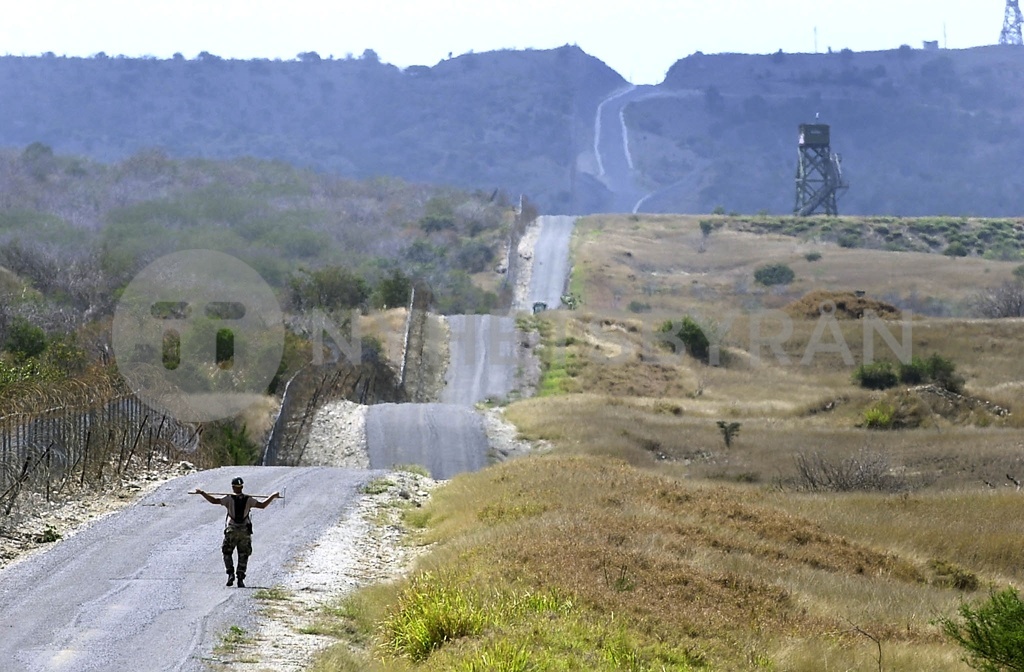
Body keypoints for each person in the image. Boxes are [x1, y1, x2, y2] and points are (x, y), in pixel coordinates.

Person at [194, 477, 281, 587]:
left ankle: (230, 573)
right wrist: (272, 496)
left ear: (233, 487)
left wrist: (202, 492)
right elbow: (262, 505)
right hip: (245, 531)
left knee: (227, 552)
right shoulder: (249, 499)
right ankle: (240, 578)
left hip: (232, 530)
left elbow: (214, 501)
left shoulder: (228, 499)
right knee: (243, 555)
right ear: (242, 487)